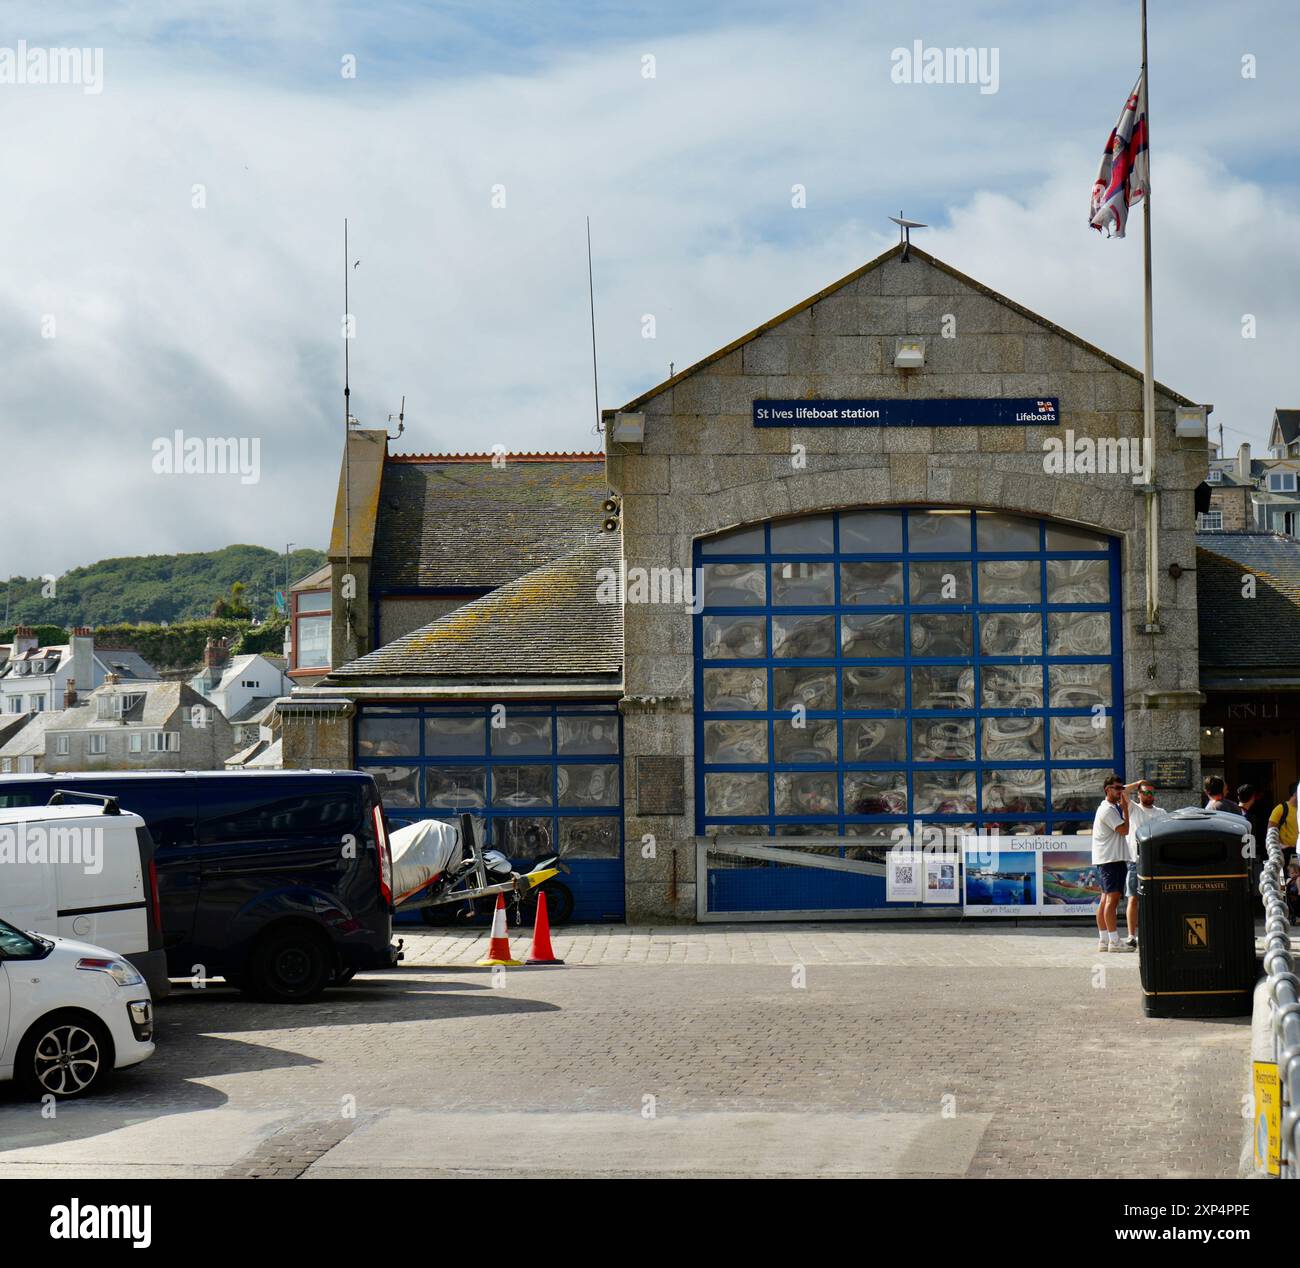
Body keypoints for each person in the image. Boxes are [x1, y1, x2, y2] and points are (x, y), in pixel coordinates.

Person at [1120, 779, 1168, 948]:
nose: (1149, 795)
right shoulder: (1133, 808)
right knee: (1133, 898)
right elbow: (1122, 791)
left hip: (1155, 861)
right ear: (1139, 794)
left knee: (1156, 899)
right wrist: (1139, 782)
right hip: (1135, 861)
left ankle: (1154, 933)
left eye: (1151, 793)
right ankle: (1131, 935)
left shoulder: (1161, 812)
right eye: (1145, 792)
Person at [1091, 775, 1133, 952]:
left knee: (1105, 899)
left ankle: (1103, 939)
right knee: (1112, 900)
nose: (1120, 791)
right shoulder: (1109, 809)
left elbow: (1125, 789)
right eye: (1117, 788)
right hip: (1111, 860)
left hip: (1107, 859)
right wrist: (1125, 810)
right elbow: (1124, 830)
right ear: (1107, 789)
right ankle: (1114, 941)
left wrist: (1136, 785)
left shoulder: (1108, 807)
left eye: (1121, 788)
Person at [1268, 786, 1299, 870]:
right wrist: (1279, 845)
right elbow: (1270, 830)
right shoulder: (1281, 808)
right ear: (1295, 794)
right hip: (1286, 853)